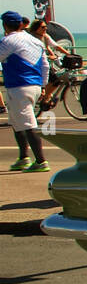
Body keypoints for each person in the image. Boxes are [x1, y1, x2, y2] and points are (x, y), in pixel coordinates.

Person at [1, 10, 50, 171]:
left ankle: (41, 161)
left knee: (28, 124)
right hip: (34, 85)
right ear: (21, 24)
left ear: (5, 25)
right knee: (17, 122)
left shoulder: (8, 41)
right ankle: (23, 157)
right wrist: (43, 86)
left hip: (19, 86)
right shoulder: (35, 41)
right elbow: (45, 65)